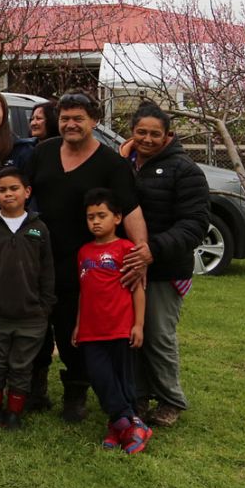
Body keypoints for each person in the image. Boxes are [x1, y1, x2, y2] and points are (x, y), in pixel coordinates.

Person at [25, 92, 147, 423]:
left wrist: (142, 251)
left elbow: (130, 208)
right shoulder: (44, 152)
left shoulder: (111, 163)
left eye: (78, 118)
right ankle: (34, 390)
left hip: (85, 262)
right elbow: (24, 195)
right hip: (41, 257)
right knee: (37, 327)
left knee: (71, 331)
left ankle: (75, 392)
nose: (71, 124)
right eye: (65, 118)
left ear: (94, 121)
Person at [123, 103, 208, 429]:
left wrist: (152, 250)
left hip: (163, 268)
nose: (146, 139)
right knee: (132, 335)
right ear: (132, 131)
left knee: (158, 335)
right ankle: (140, 394)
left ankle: (171, 399)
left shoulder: (184, 170)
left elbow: (195, 225)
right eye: (141, 132)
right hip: (128, 267)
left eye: (154, 134)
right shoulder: (125, 164)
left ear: (168, 135)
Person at [0, 167, 55, 430]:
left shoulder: (39, 228)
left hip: (31, 315)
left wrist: (44, 307)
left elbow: (47, 271)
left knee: (21, 366)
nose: (8, 194)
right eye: (2, 190)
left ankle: (14, 412)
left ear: (27, 192)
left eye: (13, 189)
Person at [75, 189, 151, 454]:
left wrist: (138, 325)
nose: (95, 222)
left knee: (122, 381)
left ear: (117, 217)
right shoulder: (83, 251)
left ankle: (118, 427)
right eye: (90, 217)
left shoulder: (127, 249)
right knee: (99, 378)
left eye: (102, 216)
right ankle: (131, 426)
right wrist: (77, 324)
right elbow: (84, 292)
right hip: (90, 330)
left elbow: (138, 289)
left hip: (120, 328)